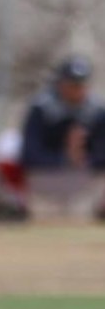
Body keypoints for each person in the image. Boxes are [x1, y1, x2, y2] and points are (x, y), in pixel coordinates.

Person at [17, 54, 105, 219]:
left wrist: (84, 159)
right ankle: (15, 202)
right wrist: (65, 158)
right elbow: (28, 153)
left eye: (81, 84)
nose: (77, 89)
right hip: (47, 177)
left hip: (88, 179)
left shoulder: (98, 111)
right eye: (72, 84)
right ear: (60, 84)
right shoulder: (42, 108)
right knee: (6, 145)